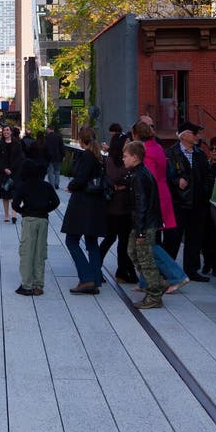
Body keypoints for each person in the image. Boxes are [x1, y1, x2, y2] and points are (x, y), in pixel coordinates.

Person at [132, 120, 188, 294]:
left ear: (137, 135)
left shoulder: (146, 152)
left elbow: (147, 180)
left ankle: (176, 275)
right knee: (149, 241)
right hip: (162, 196)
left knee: (149, 242)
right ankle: (146, 281)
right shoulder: (157, 147)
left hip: (153, 200)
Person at [123, 140, 168, 309]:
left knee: (144, 258)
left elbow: (141, 204)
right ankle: (157, 283)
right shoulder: (138, 173)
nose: (123, 159)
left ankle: (154, 294)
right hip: (142, 223)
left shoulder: (140, 176)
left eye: (125, 156)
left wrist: (140, 231)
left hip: (145, 224)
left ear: (135, 157)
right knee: (132, 251)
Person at [61, 127, 107, 294]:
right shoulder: (98, 156)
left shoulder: (87, 156)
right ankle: (95, 278)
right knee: (92, 242)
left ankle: (86, 278)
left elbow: (80, 178)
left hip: (83, 204)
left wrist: (71, 186)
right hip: (95, 205)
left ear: (81, 140)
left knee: (71, 240)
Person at [164, 121, 211, 281]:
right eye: (194, 133)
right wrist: (176, 181)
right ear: (184, 135)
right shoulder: (170, 153)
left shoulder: (200, 153)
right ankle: (167, 270)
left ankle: (191, 270)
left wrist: (204, 192)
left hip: (197, 204)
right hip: (178, 203)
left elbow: (207, 175)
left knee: (194, 238)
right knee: (173, 238)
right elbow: (165, 176)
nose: (198, 136)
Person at [12, 159, 60, 296]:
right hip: (43, 220)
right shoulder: (46, 186)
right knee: (40, 252)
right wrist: (45, 210)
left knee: (27, 252)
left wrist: (23, 212)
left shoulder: (24, 186)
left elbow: (15, 204)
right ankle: (38, 285)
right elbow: (56, 202)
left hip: (29, 220)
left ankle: (26, 285)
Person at [99, 128, 138, 284]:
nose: (128, 145)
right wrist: (125, 182)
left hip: (125, 207)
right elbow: (115, 178)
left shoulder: (122, 160)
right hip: (113, 207)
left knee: (124, 241)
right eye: (126, 143)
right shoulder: (110, 160)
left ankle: (123, 271)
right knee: (110, 238)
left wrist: (124, 184)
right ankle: (95, 268)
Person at [0, 124, 23, 222]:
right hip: (3, 173)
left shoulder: (17, 143)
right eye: (4, 130)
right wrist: (4, 168)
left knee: (14, 194)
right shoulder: (0, 144)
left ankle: (13, 214)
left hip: (15, 172)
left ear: (11, 132)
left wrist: (12, 169)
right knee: (5, 194)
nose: (6, 132)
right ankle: (6, 215)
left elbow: (19, 158)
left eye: (8, 130)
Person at [202, 136, 216, 276]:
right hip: (205, 206)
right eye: (212, 148)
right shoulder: (207, 164)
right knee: (207, 236)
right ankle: (208, 263)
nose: (214, 151)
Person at [45, 124, 65, 189]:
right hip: (58, 157)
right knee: (57, 171)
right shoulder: (59, 137)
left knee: (50, 171)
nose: (46, 130)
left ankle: (52, 184)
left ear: (49, 129)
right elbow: (62, 147)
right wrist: (63, 155)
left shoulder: (47, 137)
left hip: (50, 157)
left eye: (47, 129)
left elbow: (46, 148)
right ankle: (57, 183)